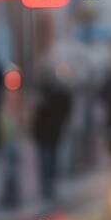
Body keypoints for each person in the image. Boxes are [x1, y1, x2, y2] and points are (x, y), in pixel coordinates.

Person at [32, 69, 73, 201]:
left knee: (46, 159)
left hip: (46, 134)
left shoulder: (44, 97)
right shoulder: (58, 95)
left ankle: (46, 185)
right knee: (51, 159)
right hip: (52, 133)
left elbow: (37, 117)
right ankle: (48, 185)